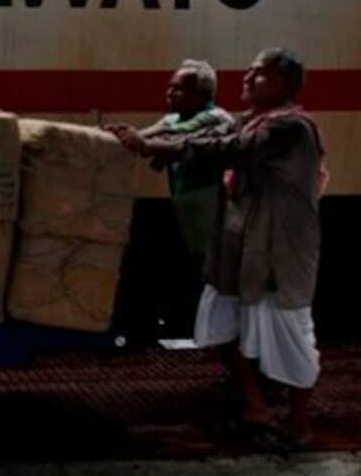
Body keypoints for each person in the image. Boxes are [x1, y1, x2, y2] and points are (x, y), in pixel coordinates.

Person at [109, 49, 327, 447]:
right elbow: (208, 139)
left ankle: (298, 423)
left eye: (259, 74)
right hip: (241, 245)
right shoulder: (252, 121)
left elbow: (226, 149)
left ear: (284, 85)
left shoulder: (290, 128)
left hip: (278, 248)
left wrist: (153, 147)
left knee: (289, 333)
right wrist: (150, 144)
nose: (247, 77)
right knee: (224, 323)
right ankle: (256, 407)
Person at [138, 61, 235, 332]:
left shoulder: (216, 118)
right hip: (187, 208)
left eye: (179, 89)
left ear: (202, 95)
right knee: (196, 267)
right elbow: (156, 133)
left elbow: (176, 136)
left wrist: (140, 141)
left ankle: (217, 333)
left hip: (213, 209)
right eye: (170, 87)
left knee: (213, 272)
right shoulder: (172, 119)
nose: (170, 93)